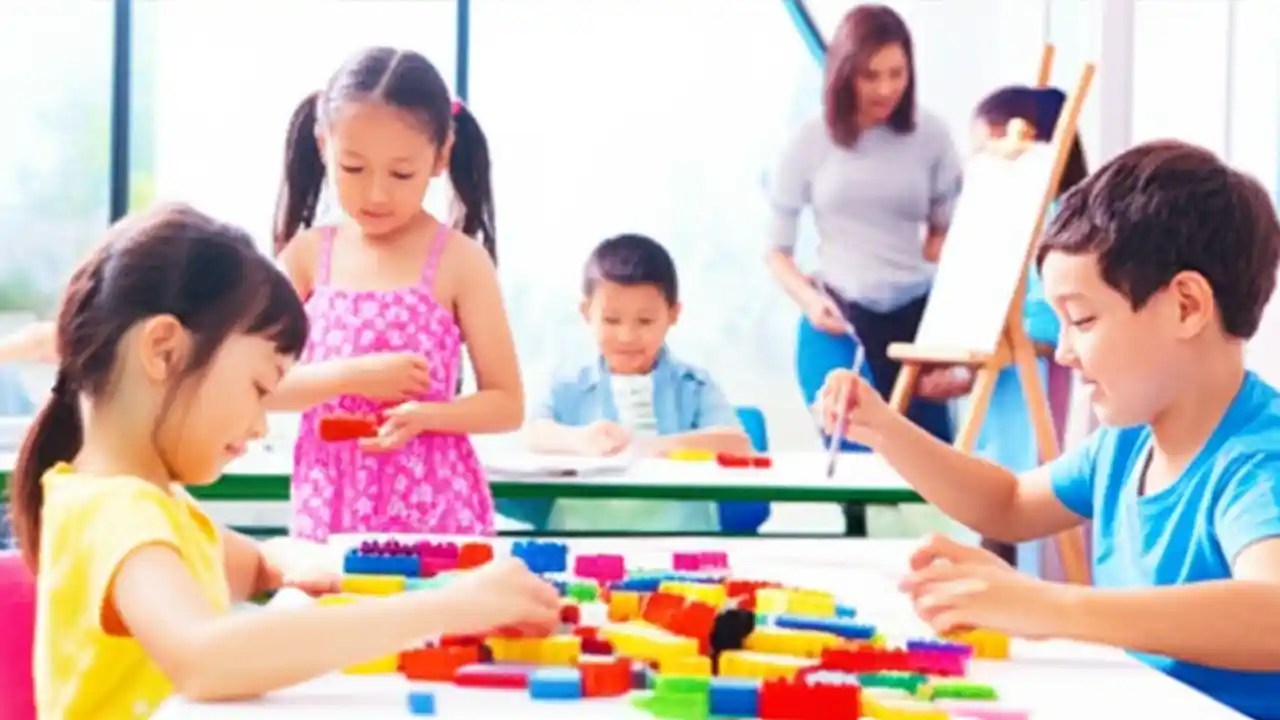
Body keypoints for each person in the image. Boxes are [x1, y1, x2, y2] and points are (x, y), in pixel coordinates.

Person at [8, 203, 559, 718]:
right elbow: (204, 657)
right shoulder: (117, 512)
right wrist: (450, 606)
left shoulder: (148, 502)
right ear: (164, 350)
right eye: (258, 387)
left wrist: (289, 562)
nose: (259, 425)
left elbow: (256, 563)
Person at [818, 140, 1280, 719]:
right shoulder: (1129, 442)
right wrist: (884, 428)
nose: (1062, 351)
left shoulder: (1259, 461)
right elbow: (1009, 503)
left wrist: (1049, 607)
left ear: (1186, 306)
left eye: (1082, 319)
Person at [271, 47, 520, 540]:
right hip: (330, 505)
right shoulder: (305, 257)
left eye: (401, 173)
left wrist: (428, 416)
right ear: (323, 146)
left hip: (437, 513)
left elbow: (507, 403)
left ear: (441, 156)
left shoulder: (461, 261)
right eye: (353, 168)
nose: (377, 194)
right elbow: (255, 388)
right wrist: (351, 376)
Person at [765, 4, 963, 535]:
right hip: (837, 319)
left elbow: (946, 235)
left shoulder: (932, 136)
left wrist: (949, 266)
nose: (885, 88)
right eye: (871, 74)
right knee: (856, 469)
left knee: (931, 477)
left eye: (897, 73)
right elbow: (776, 252)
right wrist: (811, 301)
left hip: (915, 324)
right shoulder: (808, 142)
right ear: (844, 72)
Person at [934, 85, 1090, 568]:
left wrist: (1003, 337)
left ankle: (1011, 577)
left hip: (1030, 373)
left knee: (1016, 481)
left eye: (991, 148)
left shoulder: (1057, 222)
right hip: (996, 370)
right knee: (983, 478)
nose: (981, 165)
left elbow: (1048, 311)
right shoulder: (995, 222)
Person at [513, 234, 755, 532]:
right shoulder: (568, 385)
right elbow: (534, 434)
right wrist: (580, 440)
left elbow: (736, 444)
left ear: (673, 314)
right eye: (612, 321)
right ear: (587, 313)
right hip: (583, 538)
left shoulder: (694, 386)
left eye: (645, 322)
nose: (627, 337)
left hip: (682, 540)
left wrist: (653, 447)